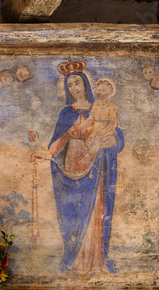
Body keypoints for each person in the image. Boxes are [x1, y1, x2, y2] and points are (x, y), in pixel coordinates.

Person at [32, 68, 124, 274]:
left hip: (97, 165)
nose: (74, 88)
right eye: (69, 85)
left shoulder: (100, 107)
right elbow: (60, 139)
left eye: (77, 83)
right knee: (74, 211)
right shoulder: (66, 113)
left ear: (85, 84)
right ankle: (73, 258)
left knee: (95, 209)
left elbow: (115, 132)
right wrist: (47, 153)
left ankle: (97, 260)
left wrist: (112, 141)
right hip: (73, 163)